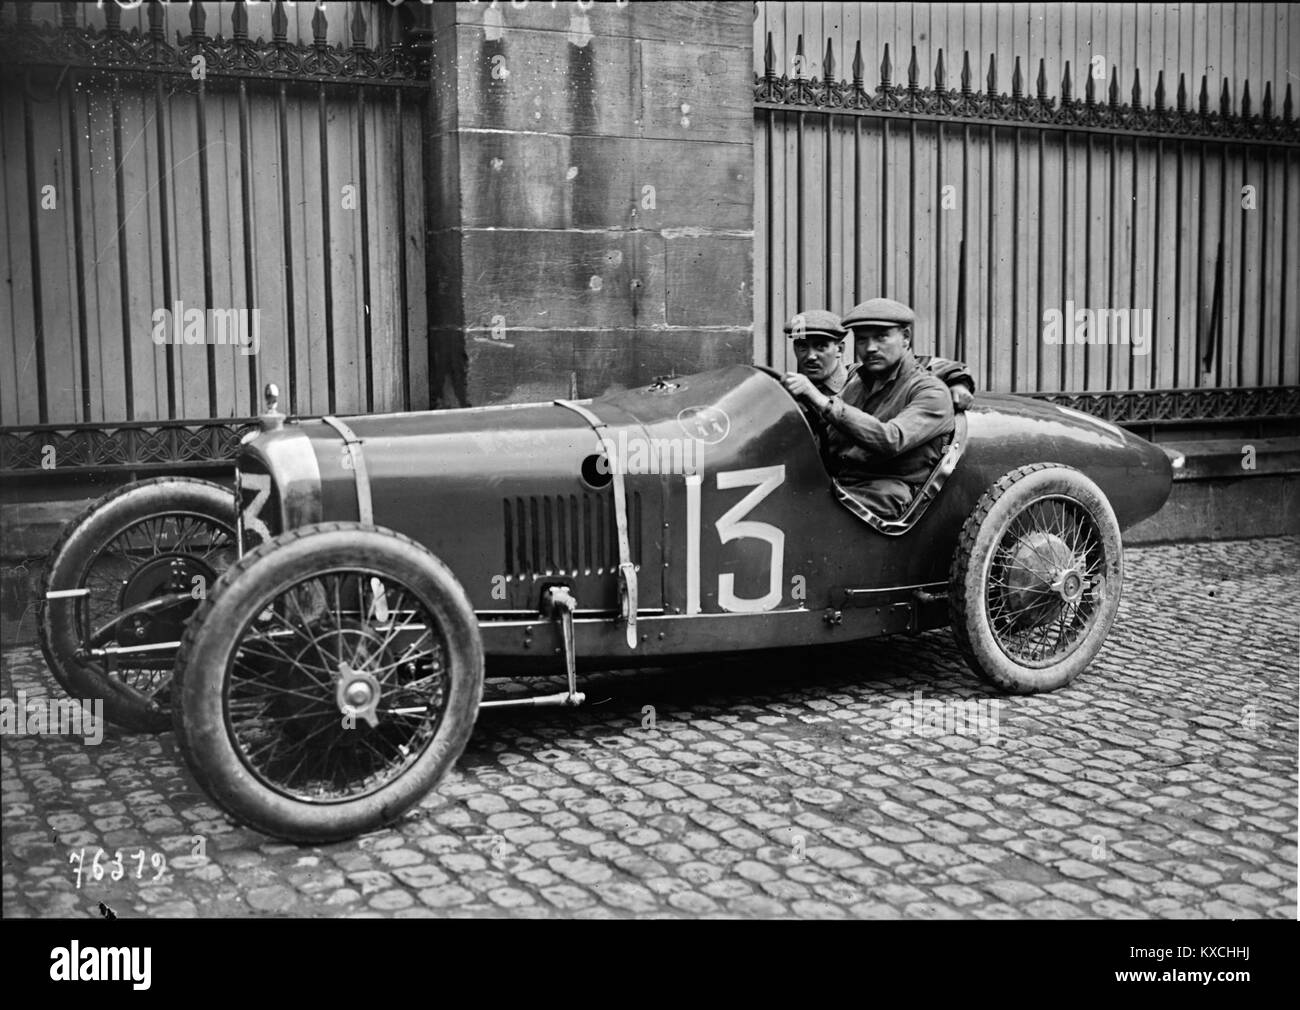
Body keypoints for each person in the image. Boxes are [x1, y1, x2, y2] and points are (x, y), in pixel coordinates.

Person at [781, 298, 955, 521]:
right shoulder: (859, 383)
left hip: (888, 493)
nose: (871, 348)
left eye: (881, 337)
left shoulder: (930, 392)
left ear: (906, 338)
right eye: (862, 340)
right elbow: (827, 434)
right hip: (845, 483)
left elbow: (891, 439)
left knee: (805, 515)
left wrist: (821, 401)